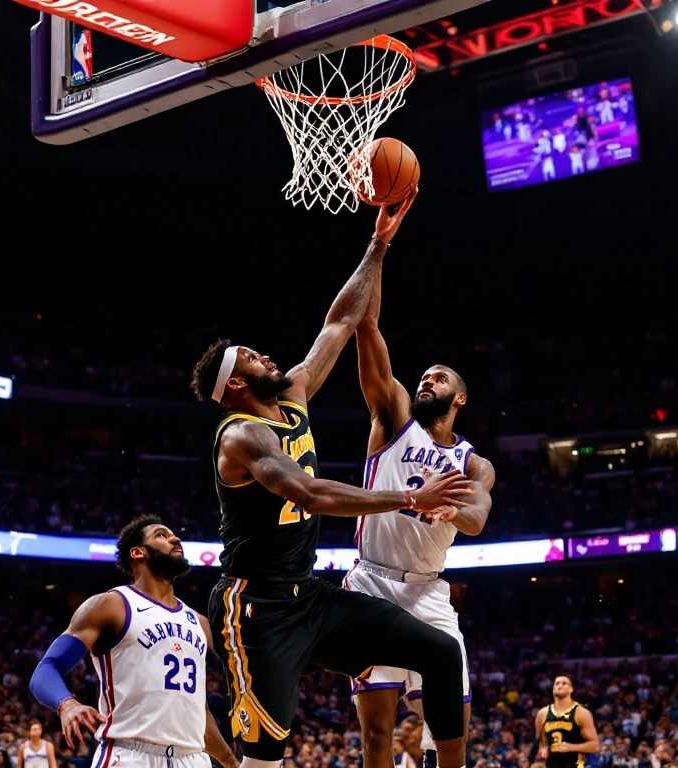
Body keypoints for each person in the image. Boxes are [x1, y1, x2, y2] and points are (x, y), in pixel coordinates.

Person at [189, 190, 471, 768]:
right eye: (251, 359)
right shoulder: (242, 436)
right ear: (236, 387)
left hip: (310, 596)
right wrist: (412, 496)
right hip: (255, 607)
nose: (266, 357)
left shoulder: (292, 392)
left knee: (442, 653)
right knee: (264, 757)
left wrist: (380, 242)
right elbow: (310, 492)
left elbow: (343, 320)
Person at [344, 271, 497, 768]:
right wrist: (380, 247)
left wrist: (453, 508)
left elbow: (477, 517)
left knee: (452, 734)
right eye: (424, 376)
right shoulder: (394, 418)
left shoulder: (474, 463)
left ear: (460, 398)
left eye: (440, 377)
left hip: (431, 593)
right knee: (377, 734)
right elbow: (368, 328)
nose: (427, 380)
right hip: (372, 584)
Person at [29, 514, 240, 768]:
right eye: (161, 535)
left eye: (173, 534)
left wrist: (229, 760)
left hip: (194, 758)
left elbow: (198, 713)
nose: (175, 538)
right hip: (130, 754)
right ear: (138, 553)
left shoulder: (200, 623)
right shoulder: (111, 605)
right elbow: (47, 668)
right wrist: (68, 705)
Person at [534, 676, 599, 768]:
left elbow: (595, 745)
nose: (560, 686)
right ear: (553, 689)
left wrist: (571, 747)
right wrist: (543, 749)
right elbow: (541, 742)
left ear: (571, 689)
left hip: (575, 765)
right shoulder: (542, 714)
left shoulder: (581, 713)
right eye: (557, 683)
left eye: (564, 683)